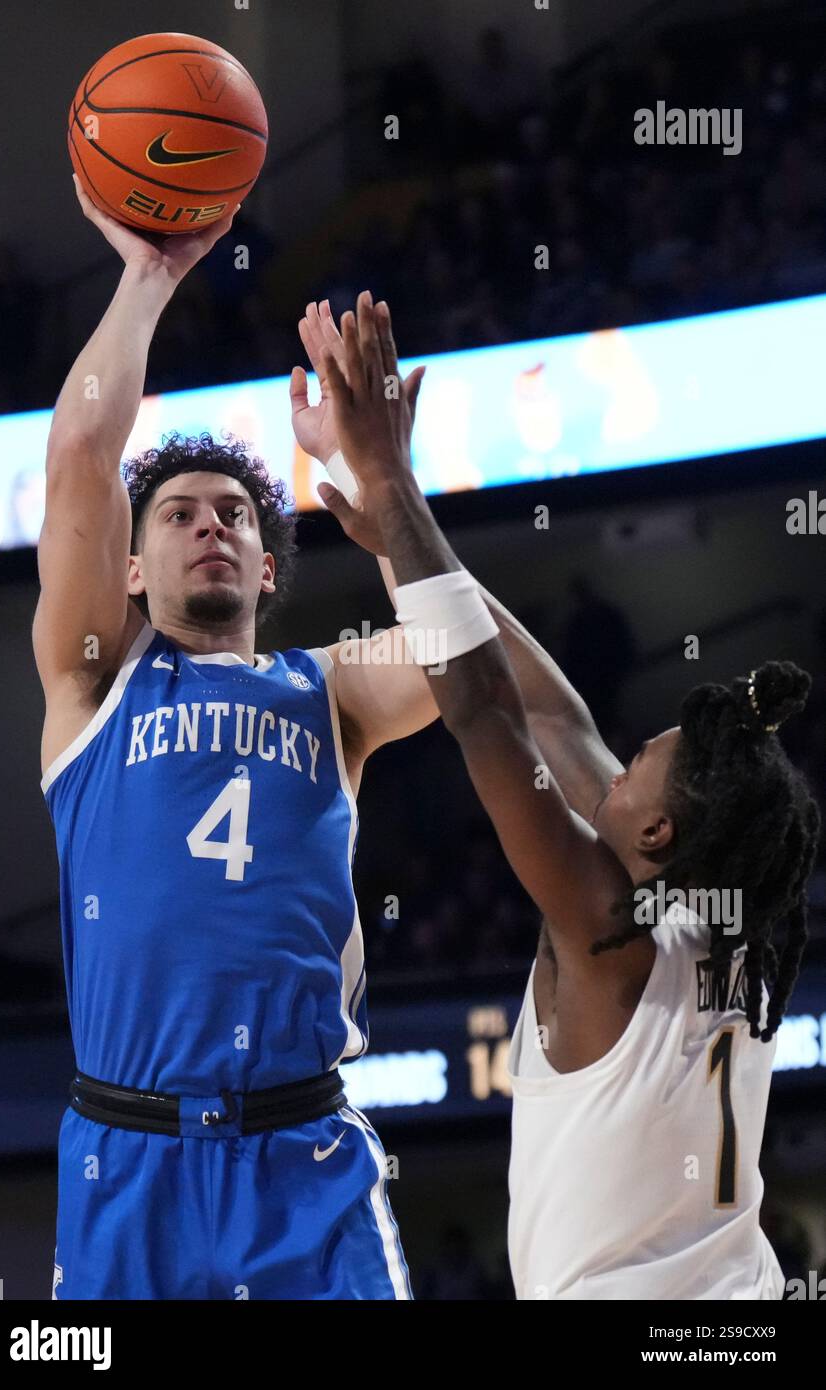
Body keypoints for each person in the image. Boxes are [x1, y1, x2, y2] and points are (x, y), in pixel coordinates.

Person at [34, 181, 599, 1300]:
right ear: (131, 570)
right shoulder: (95, 685)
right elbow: (82, 457)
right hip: (124, 1158)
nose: (212, 524)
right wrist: (148, 280)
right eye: (182, 513)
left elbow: (470, 665)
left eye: (236, 515)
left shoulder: (329, 687)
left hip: (301, 1160)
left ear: (267, 567)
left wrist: (385, 496)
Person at [319, 289, 821, 1301]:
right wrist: (396, 519)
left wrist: (386, 479)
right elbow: (550, 719)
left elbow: (486, 714)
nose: (615, 760)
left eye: (636, 763)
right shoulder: (722, 919)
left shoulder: (613, 935)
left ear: (659, 827)